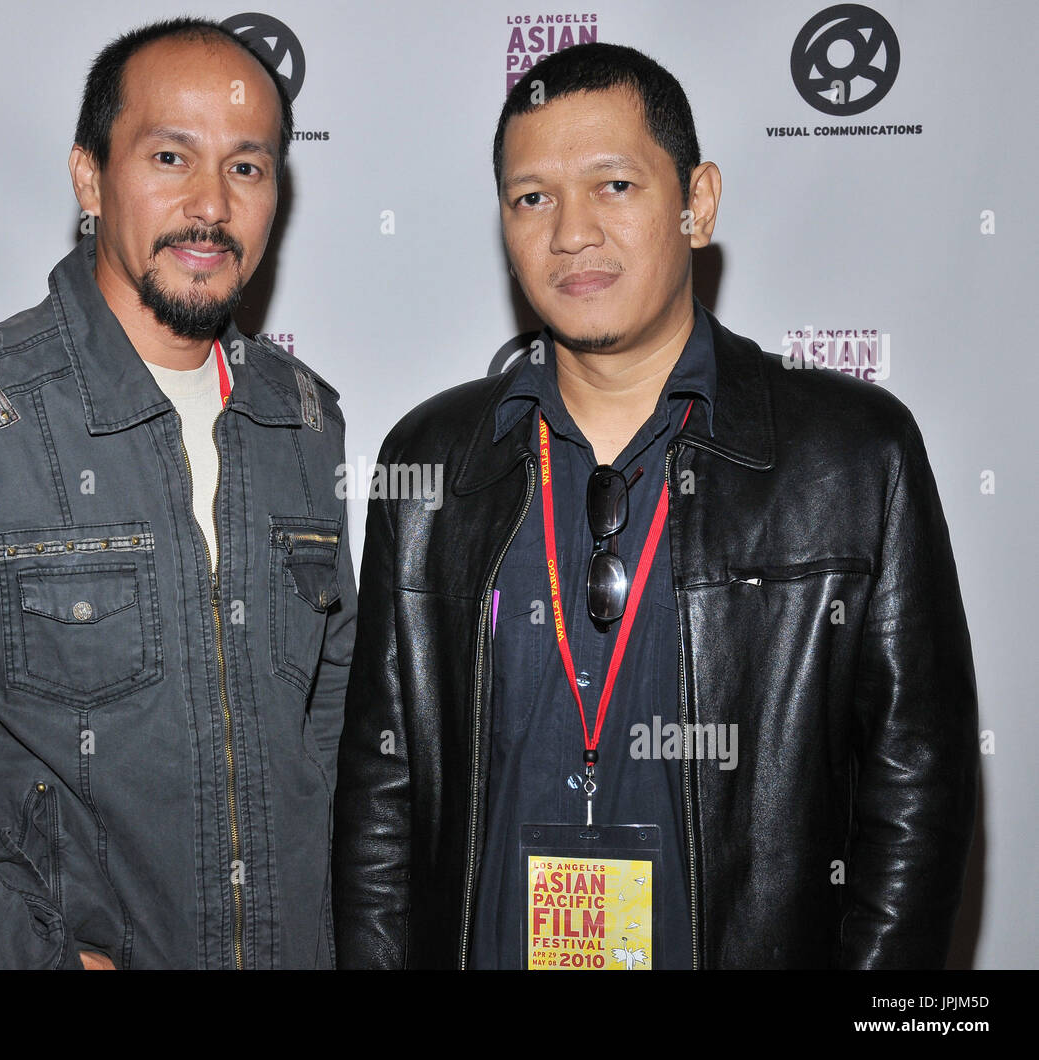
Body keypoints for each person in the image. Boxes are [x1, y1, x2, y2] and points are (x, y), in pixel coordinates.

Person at [332, 42, 977, 970]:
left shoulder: (851, 455)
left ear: (697, 202)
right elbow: (381, 797)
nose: (571, 233)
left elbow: (916, 790)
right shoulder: (433, 461)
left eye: (615, 186)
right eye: (532, 198)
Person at [0, 17, 355, 970]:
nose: (210, 204)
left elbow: (327, 732)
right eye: (170, 156)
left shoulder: (304, 422)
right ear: (90, 179)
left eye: (247, 169)